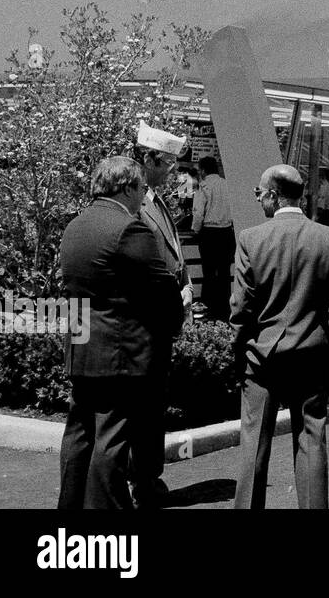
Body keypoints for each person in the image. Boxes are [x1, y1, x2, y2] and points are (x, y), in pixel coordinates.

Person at [58, 157, 184, 510]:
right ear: (127, 187)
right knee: (111, 440)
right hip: (120, 352)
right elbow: (162, 289)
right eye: (141, 189)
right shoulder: (130, 228)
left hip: (82, 346)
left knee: (80, 434)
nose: (142, 196)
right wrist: (174, 322)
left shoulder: (76, 226)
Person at [232, 164, 329, 509]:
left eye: (259, 194)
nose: (259, 200)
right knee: (311, 442)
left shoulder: (251, 239)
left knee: (254, 446)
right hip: (312, 357)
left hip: (262, 359)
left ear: (272, 195)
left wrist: (242, 355)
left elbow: (240, 309)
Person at [131, 121, 193, 509]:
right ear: (149, 159)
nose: (173, 169)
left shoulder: (155, 200)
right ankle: (143, 481)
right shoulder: (137, 203)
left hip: (163, 315)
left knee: (153, 405)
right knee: (144, 407)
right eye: (167, 161)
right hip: (147, 321)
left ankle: (148, 478)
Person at [191, 155, 236, 321]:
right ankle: (224, 309)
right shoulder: (227, 185)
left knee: (208, 273)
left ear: (203, 170)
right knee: (224, 272)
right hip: (227, 233)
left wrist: (196, 230)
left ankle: (208, 309)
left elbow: (198, 213)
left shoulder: (203, 187)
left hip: (209, 234)